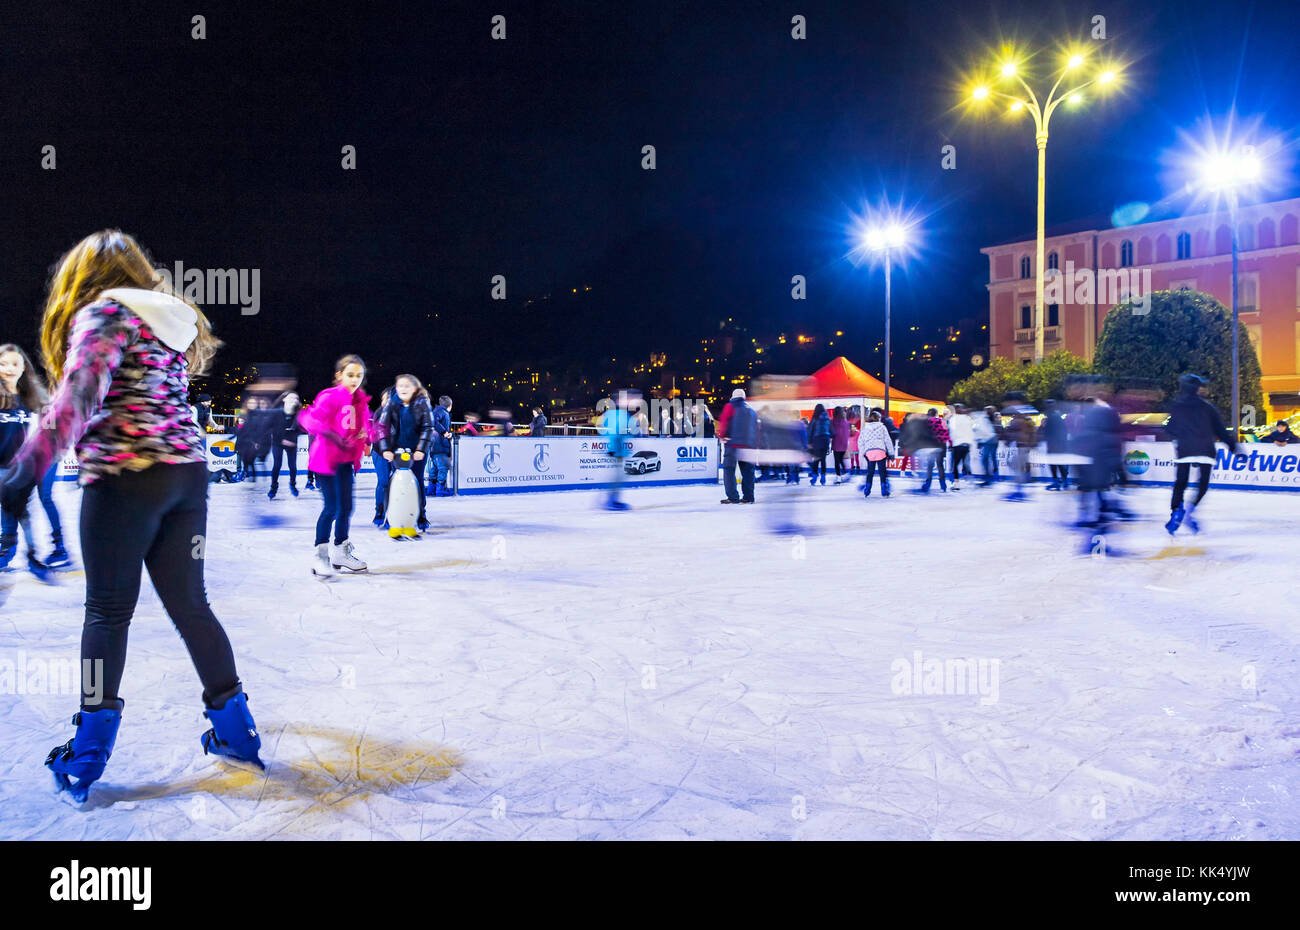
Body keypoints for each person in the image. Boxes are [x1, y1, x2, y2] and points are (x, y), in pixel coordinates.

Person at [0, 230, 265, 802]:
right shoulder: (170, 318)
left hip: (125, 477)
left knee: (107, 613)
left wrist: (22, 473)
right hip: (186, 476)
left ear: (82, 277)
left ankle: (87, 754)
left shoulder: (105, 312)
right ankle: (238, 734)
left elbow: (76, 399)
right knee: (192, 605)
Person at [299, 354, 375, 575]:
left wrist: (366, 436)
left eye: (359, 376)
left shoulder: (360, 401)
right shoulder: (329, 397)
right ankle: (320, 556)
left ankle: (341, 553)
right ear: (339, 376)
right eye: (350, 375)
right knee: (331, 507)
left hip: (345, 461)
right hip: (325, 460)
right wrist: (332, 435)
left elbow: (363, 426)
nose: (355, 379)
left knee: (347, 508)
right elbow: (308, 419)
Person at [0, 343, 69, 572]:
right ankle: (14, 550)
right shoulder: (13, 394)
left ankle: (58, 548)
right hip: (20, 461)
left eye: (15, 364)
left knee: (43, 498)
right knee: (15, 505)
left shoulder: (37, 394)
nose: (9, 369)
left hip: (43, 457)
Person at [1164, 373, 1237, 535]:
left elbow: (1168, 428)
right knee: (1202, 484)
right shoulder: (1208, 407)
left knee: (1180, 482)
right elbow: (1221, 431)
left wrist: (1178, 437)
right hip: (1205, 449)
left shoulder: (1176, 406)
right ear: (1197, 389)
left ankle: (1176, 510)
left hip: (1185, 449)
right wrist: (1235, 449)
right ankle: (1190, 510)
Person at [375, 375, 435, 532]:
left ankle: (421, 515)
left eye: (407, 386)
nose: (403, 389)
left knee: (418, 481)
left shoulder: (422, 403)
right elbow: (381, 426)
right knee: (394, 482)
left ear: (414, 388)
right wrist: (386, 449)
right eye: (400, 386)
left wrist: (421, 449)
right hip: (398, 449)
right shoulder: (392, 402)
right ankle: (390, 515)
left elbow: (428, 427)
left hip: (417, 450)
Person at [717, 388, 758, 503]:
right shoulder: (752, 411)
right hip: (749, 445)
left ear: (732, 396)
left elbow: (724, 423)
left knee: (729, 470)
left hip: (733, 444)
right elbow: (756, 429)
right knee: (748, 471)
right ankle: (749, 497)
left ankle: (733, 497)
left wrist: (723, 436)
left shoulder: (730, 407)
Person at [600, 389, 637, 510]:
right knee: (619, 476)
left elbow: (603, 430)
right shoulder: (620, 414)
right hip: (617, 449)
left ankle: (611, 499)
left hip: (615, 449)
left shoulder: (612, 414)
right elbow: (618, 433)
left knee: (619, 475)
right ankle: (612, 500)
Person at [265, 391, 305, 499]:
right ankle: (273, 487)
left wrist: (293, 438)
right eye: (291, 398)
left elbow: (301, 429)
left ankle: (293, 484)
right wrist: (282, 440)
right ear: (284, 399)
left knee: (292, 467)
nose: (294, 400)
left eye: (296, 399)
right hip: (278, 442)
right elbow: (272, 429)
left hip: (292, 443)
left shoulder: (298, 414)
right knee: (277, 465)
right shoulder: (277, 413)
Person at [1001, 395, 1037, 501]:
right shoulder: (1026, 421)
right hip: (1024, 446)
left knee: (1016, 467)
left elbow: (1012, 433)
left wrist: (1007, 441)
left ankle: (1019, 491)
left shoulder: (1017, 421)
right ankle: (1020, 488)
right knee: (1017, 466)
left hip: (1022, 446)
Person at [901, 409, 944, 493]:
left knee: (928, 466)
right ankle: (941, 485)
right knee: (938, 466)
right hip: (935, 445)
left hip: (925, 447)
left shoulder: (922, 422)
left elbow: (916, 435)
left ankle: (925, 484)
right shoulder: (937, 421)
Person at [369, 388, 394, 525]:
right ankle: (379, 512)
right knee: (383, 482)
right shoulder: (380, 413)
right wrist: (386, 452)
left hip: (395, 454)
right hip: (380, 452)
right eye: (386, 398)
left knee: (395, 484)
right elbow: (379, 434)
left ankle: (394, 513)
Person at [857, 409, 895, 497]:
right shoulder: (882, 427)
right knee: (882, 471)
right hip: (880, 451)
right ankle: (884, 489)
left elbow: (860, 441)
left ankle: (867, 488)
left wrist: (863, 452)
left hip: (869, 452)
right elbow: (887, 440)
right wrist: (891, 453)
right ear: (878, 418)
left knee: (870, 471)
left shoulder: (865, 428)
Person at [1040, 399, 1071, 491]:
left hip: (1053, 444)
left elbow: (1048, 432)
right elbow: (1064, 430)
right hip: (1060, 444)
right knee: (1060, 463)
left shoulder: (1051, 417)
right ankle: (1064, 481)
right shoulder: (1058, 416)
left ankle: (1056, 482)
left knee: (1054, 464)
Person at [429, 395, 454, 497]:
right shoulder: (442, 412)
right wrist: (445, 432)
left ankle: (432, 489)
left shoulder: (438, 411)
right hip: (440, 445)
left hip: (436, 445)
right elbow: (434, 422)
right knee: (443, 467)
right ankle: (441, 490)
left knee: (435, 468)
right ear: (450, 405)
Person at [947, 403, 975, 491]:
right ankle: (969, 480)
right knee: (965, 463)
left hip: (958, 444)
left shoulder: (953, 419)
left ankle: (956, 483)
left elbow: (952, 432)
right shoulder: (967, 418)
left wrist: (951, 443)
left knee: (955, 464)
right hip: (966, 444)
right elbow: (971, 429)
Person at [806, 403, 832, 486]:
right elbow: (832, 431)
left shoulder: (815, 418)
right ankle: (823, 477)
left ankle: (814, 477)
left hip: (817, 440)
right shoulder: (827, 419)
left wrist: (809, 442)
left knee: (816, 459)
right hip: (825, 441)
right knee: (823, 460)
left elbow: (810, 431)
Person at [976, 406, 1002, 486]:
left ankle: (989, 478)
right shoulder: (990, 419)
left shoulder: (991, 419)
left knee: (986, 459)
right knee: (990, 458)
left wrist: (980, 441)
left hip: (990, 441)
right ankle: (992, 476)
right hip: (991, 441)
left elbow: (984, 430)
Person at [830, 406, 851, 483]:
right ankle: (846, 472)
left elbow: (831, 432)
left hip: (836, 443)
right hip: (844, 444)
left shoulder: (833, 421)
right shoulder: (846, 422)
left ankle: (838, 477)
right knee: (840, 459)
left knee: (837, 461)